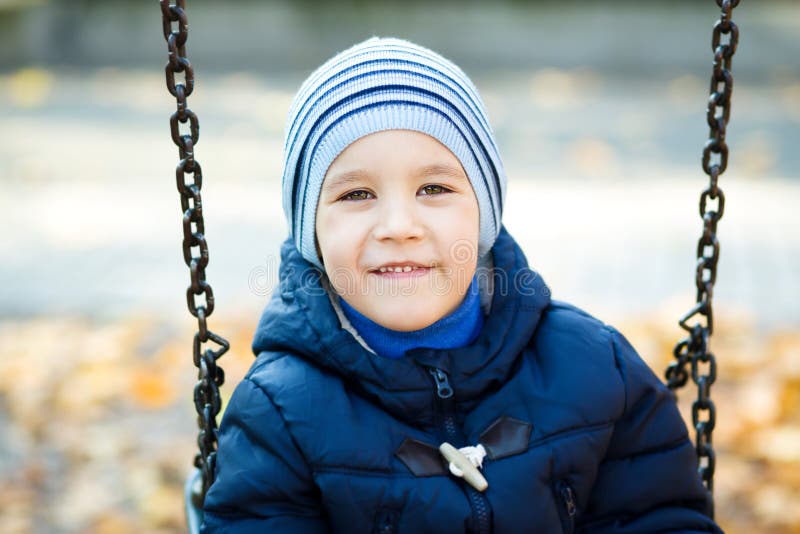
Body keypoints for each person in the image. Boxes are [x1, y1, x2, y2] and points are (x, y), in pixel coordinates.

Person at [200, 37, 721, 533]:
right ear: (311, 233)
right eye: (356, 195)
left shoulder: (596, 370)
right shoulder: (279, 412)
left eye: (433, 188)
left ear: (484, 215)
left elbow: (661, 518)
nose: (398, 225)